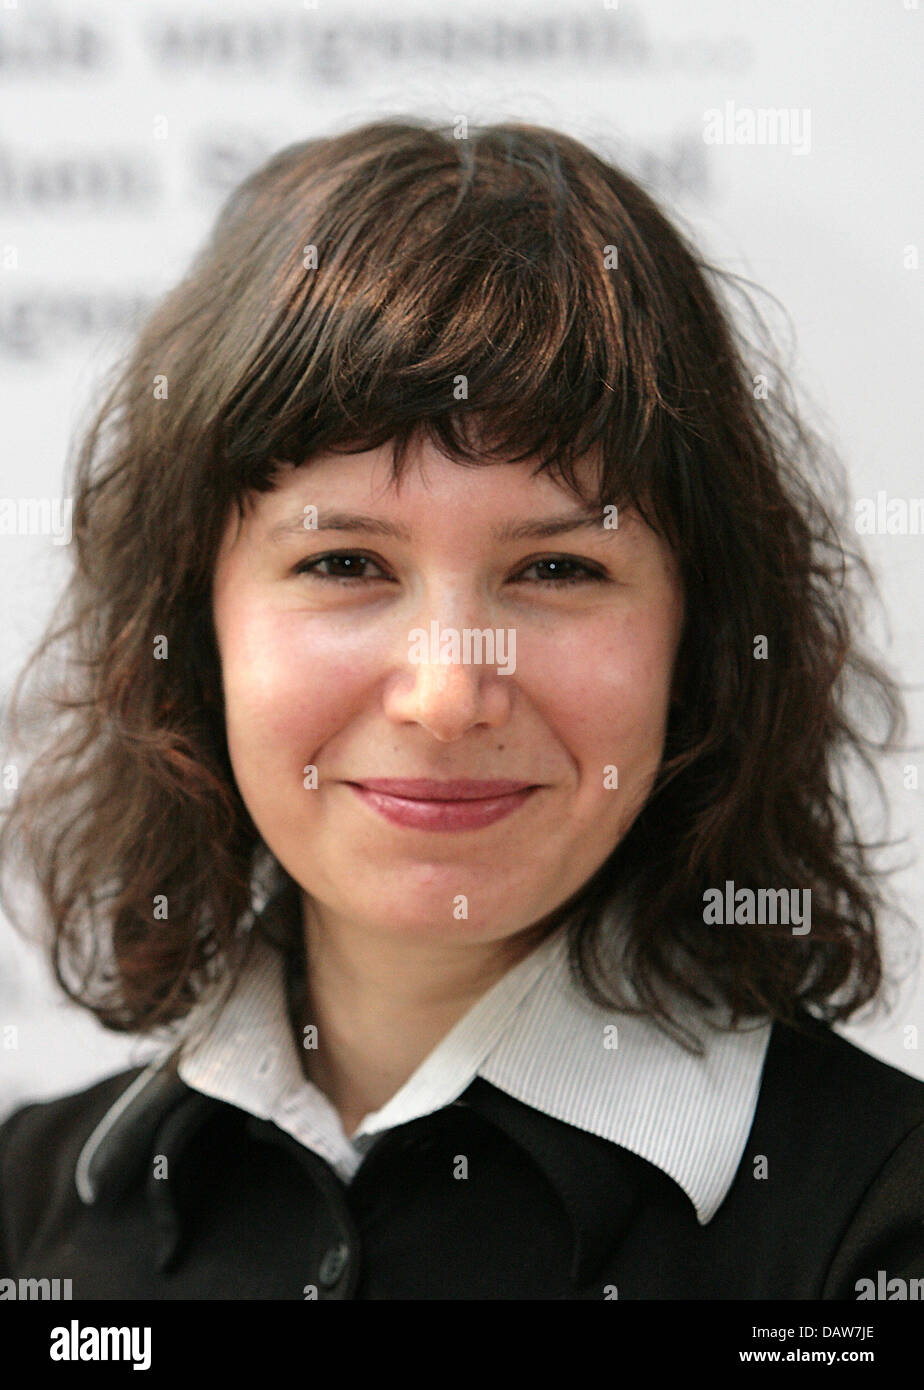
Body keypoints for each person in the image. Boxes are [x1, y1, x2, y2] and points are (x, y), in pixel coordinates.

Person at [0, 117, 921, 1302]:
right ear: (193, 628)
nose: (446, 695)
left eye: (557, 570)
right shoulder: (34, 1218)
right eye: (345, 565)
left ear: (700, 641)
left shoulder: (876, 1236)